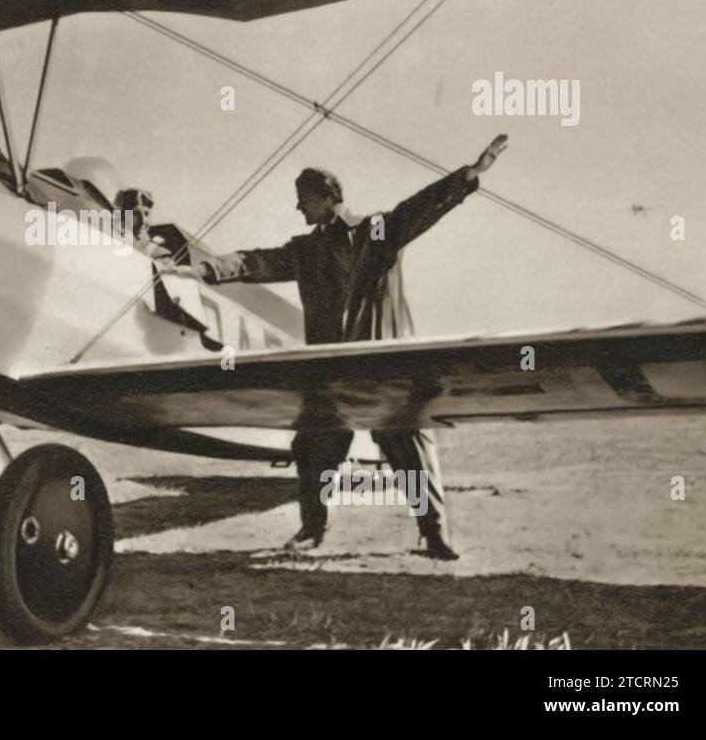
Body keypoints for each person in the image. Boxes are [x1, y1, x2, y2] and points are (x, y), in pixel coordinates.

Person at [178, 135, 508, 560]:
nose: (298, 208)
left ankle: (435, 534)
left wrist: (469, 175)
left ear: (327, 197)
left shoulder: (377, 231)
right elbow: (254, 261)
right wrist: (205, 270)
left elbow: (421, 207)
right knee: (313, 446)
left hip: (383, 367)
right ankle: (311, 530)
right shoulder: (305, 250)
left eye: (303, 200)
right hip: (332, 371)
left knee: (408, 450)